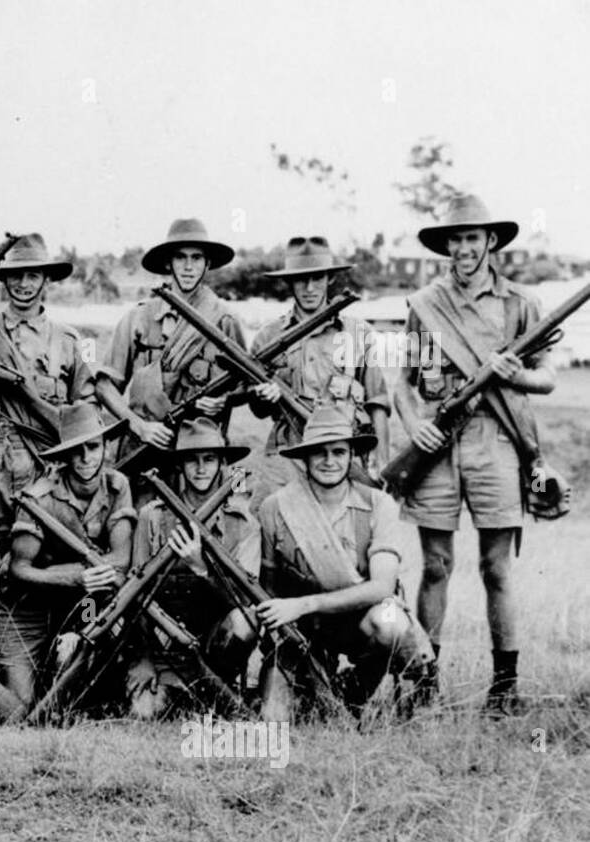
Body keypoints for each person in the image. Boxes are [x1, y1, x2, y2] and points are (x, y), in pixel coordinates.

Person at [392, 196, 556, 712]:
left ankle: (505, 688)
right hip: (439, 442)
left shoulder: (519, 304)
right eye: (455, 239)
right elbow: (402, 381)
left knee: (496, 568)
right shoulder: (424, 304)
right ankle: (424, 684)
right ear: (446, 245)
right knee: (436, 564)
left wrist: (518, 375)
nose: (463, 248)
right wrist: (415, 424)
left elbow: (547, 376)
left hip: (498, 439)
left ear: (491, 242)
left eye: (472, 238)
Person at [256, 406, 435, 720]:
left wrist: (306, 604)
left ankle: (357, 690)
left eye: (338, 451)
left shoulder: (379, 504)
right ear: (305, 458)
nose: (329, 461)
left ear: (351, 454)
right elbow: (268, 588)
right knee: (275, 719)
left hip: (359, 616)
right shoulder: (276, 507)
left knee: (391, 621)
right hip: (301, 628)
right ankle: (310, 688)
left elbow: (382, 587)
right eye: (319, 453)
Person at [0, 233, 94, 546]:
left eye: (32, 275)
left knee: (44, 550)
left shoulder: (68, 341)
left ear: (46, 281)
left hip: (46, 464)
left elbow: (85, 417)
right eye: (15, 275)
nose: (23, 284)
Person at [0, 403, 134, 720]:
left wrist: (81, 581)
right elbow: (19, 569)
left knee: (94, 634)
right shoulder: (37, 498)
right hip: (28, 604)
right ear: (64, 455)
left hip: (82, 600)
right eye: (77, 450)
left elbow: (121, 559)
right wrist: (72, 576)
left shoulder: (117, 486)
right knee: (18, 706)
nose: (86, 459)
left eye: (93, 447)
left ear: (105, 447)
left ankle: (80, 689)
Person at [126, 418, 258, 719]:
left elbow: (246, 601)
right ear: (180, 466)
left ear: (222, 463)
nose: (201, 468)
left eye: (209, 459)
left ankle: (218, 687)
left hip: (214, 647)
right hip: (163, 648)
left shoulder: (243, 523)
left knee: (245, 622)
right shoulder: (153, 517)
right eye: (192, 460)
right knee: (144, 713)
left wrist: (202, 569)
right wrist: (144, 659)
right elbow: (137, 595)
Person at [247, 236, 389, 509]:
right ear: (289, 282)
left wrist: (379, 459)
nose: (309, 287)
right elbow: (257, 409)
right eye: (301, 279)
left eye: (317, 277)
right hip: (286, 451)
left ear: (329, 279)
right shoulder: (268, 336)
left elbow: (377, 400)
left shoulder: (357, 333)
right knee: (266, 521)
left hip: (341, 448)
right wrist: (263, 396)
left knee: (353, 531)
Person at [94, 218, 244, 470]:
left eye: (196, 258)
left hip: (201, 457)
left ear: (207, 264)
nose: (188, 267)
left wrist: (225, 400)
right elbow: (104, 386)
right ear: (168, 263)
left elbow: (246, 385)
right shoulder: (139, 318)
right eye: (180, 258)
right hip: (145, 448)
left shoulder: (224, 320)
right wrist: (139, 426)